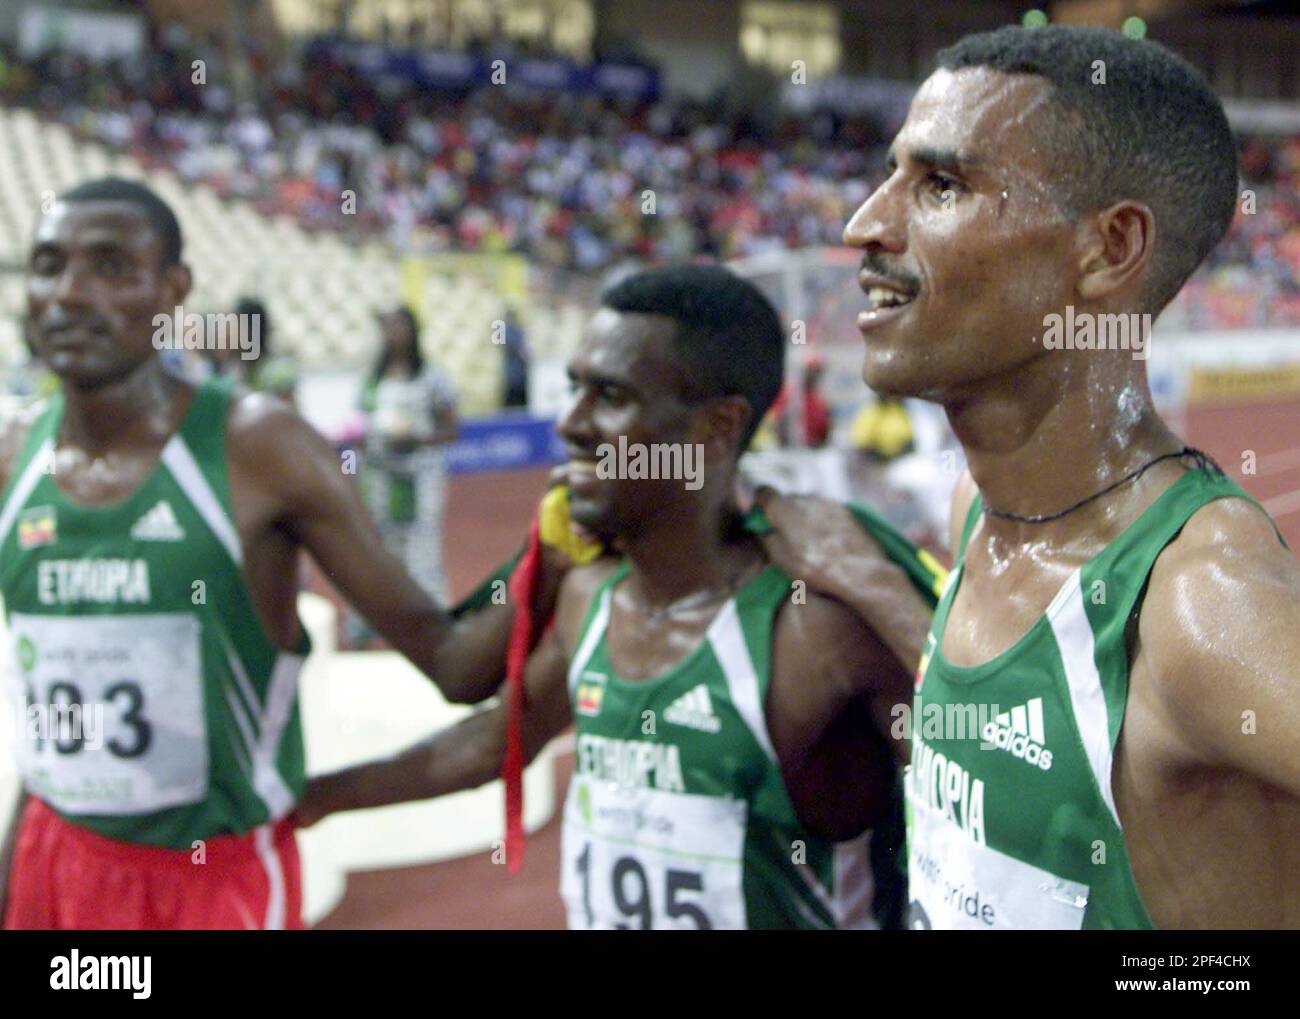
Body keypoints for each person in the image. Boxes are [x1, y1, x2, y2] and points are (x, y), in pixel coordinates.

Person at [761, 25, 1300, 928]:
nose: (865, 224)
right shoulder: (983, 509)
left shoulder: (1199, 605)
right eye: (891, 173)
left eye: (939, 184)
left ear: (1107, 249)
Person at [295, 265, 944, 929]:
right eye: (574, 387)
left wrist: (883, 592)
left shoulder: (816, 628)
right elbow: (493, 741)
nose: (571, 423)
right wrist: (306, 800)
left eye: (609, 395)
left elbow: (994, 791)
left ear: (716, 428)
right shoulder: (589, 595)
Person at [0, 177, 555, 930]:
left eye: (109, 267)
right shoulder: (12, 457)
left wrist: (555, 537)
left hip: (207, 882)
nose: (69, 292)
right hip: (52, 857)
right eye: (48, 265)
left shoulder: (260, 448)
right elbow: (49, 730)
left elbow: (456, 661)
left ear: (173, 290)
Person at [359, 306, 458, 609]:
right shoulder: (372, 379)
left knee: (422, 546)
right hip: (380, 477)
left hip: (421, 474)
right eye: (389, 328)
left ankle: (433, 612)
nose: (394, 335)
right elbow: (359, 421)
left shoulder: (432, 377)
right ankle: (380, 615)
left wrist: (416, 438)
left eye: (400, 328)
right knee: (381, 545)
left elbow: (451, 429)